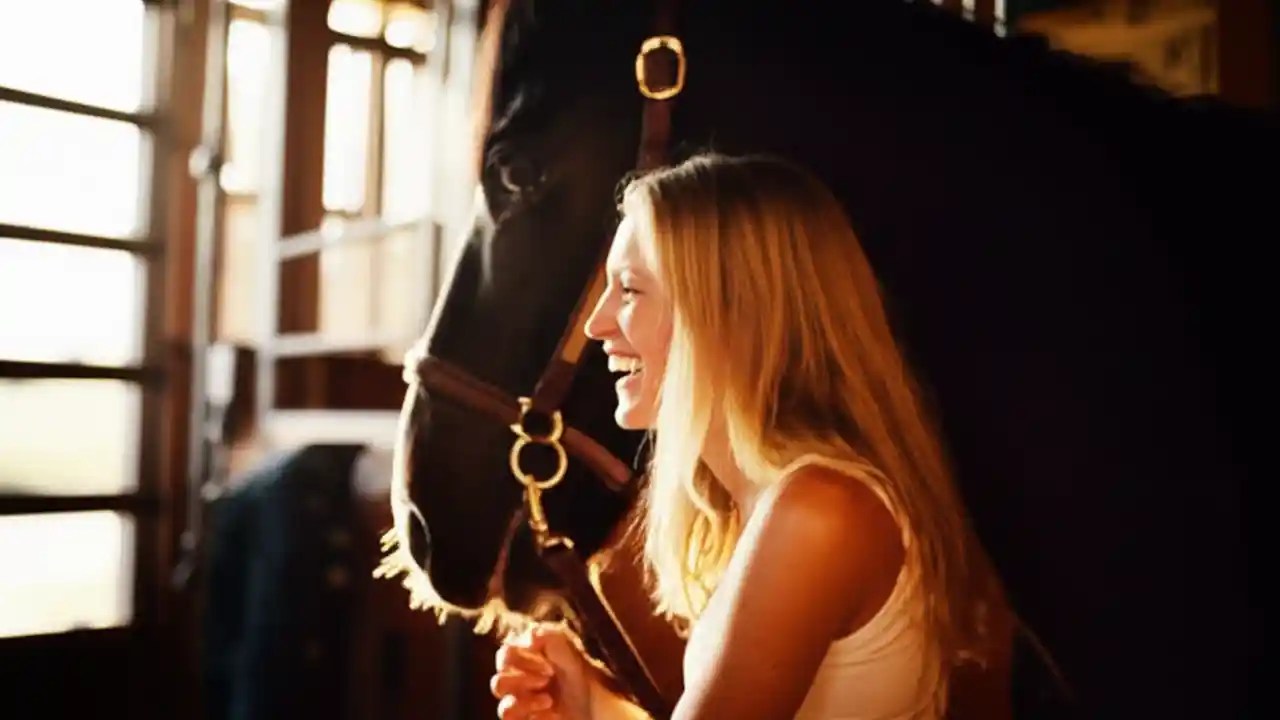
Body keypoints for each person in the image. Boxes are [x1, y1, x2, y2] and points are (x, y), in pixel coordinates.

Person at [489, 152, 1011, 719]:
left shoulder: (818, 511)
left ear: (726, 310)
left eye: (631, 290)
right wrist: (595, 704)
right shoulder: (777, 501)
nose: (597, 325)